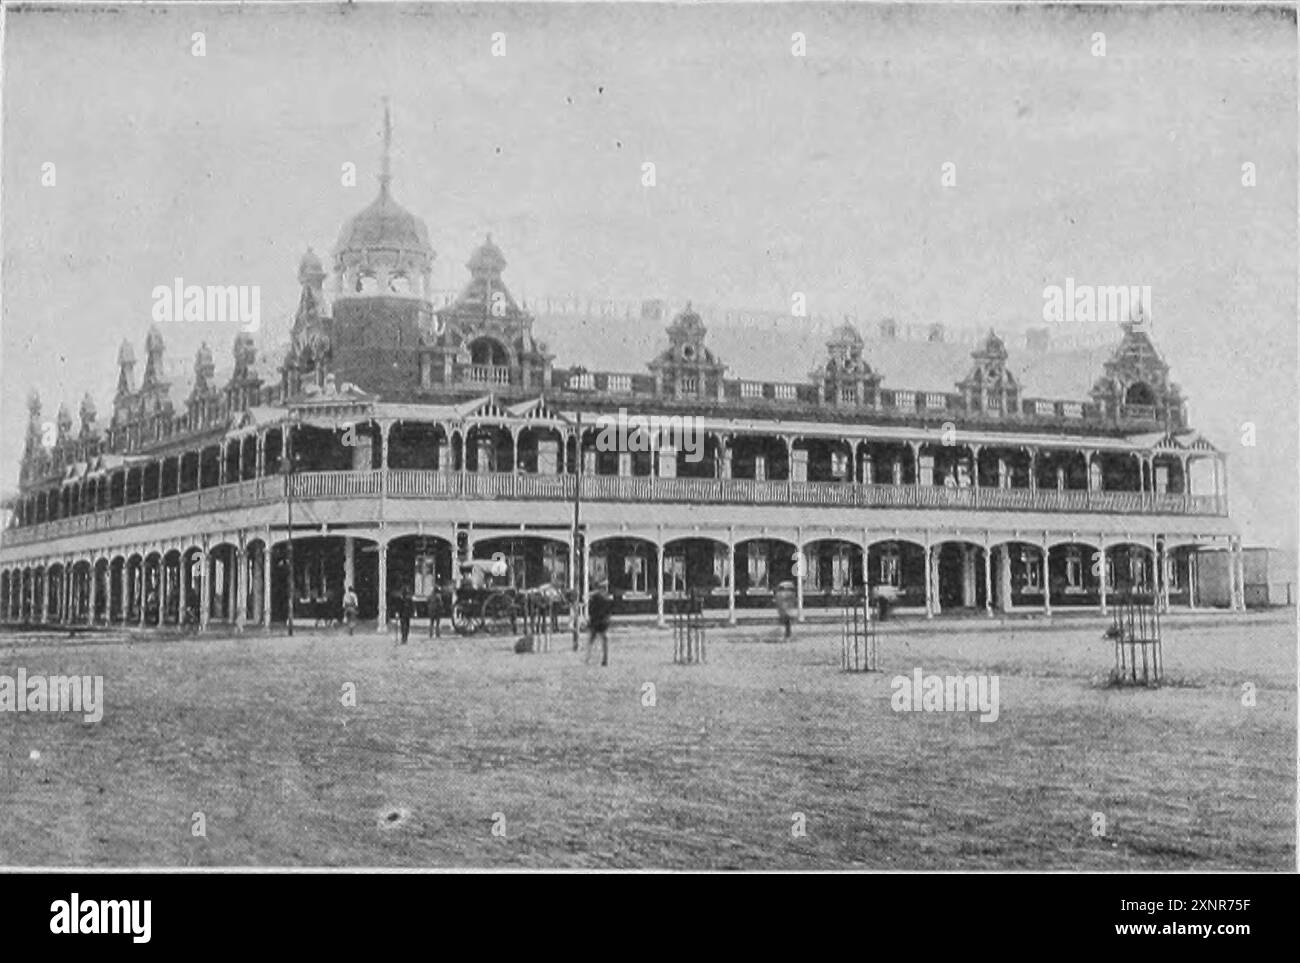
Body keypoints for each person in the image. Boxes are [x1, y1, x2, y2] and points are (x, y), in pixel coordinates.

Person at [585, 590, 612, 666]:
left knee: (591, 640)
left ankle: (588, 658)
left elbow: (591, 611)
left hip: (595, 622)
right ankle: (605, 659)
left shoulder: (593, 599)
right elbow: (608, 612)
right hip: (602, 622)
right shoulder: (605, 599)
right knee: (604, 640)